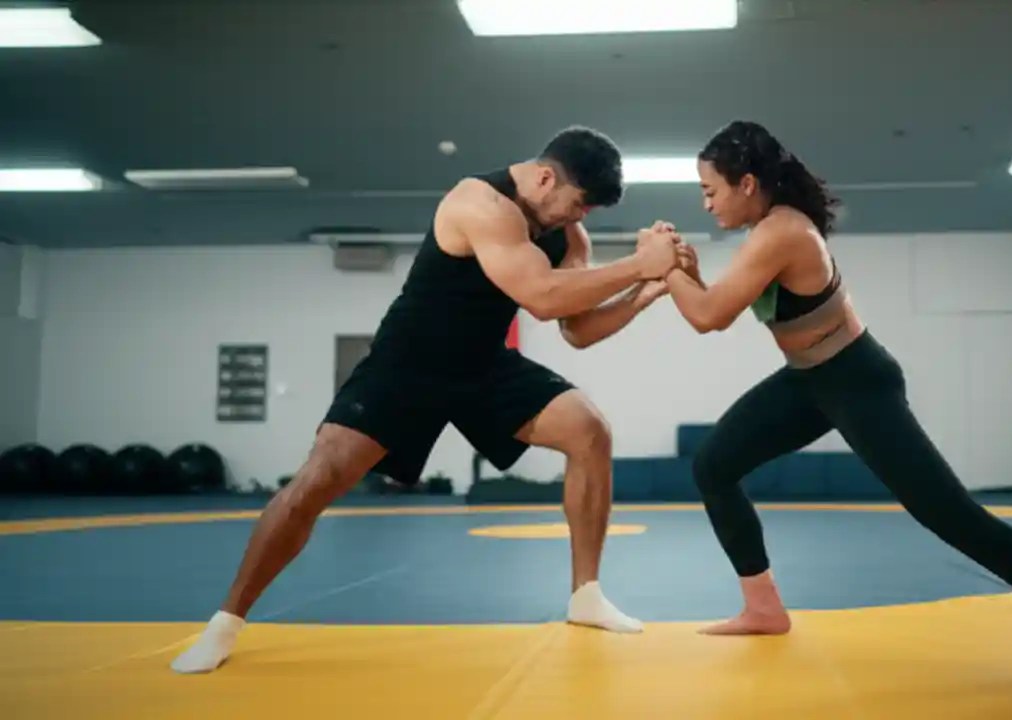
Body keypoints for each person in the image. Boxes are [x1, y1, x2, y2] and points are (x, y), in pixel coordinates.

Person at [661, 120, 1012, 685]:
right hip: (809, 381)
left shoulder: (783, 232)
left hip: (855, 381)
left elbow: (708, 317)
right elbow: (720, 301)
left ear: (746, 183)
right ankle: (764, 607)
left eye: (710, 191)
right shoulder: (767, 233)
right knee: (714, 466)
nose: (705, 204)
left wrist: (659, 268)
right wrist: (683, 272)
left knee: (953, 517)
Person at [171, 126, 681, 674]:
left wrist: (644, 292)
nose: (575, 218)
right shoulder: (478, 202)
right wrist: (637, 265)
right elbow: (540, 296)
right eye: (576, 203)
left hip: (482, 366)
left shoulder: (568, 235)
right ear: (544, 177)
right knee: (315, 483)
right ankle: (225, 622)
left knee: (589, 431)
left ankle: (586, 597)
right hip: (407, 364)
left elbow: (577, 329)